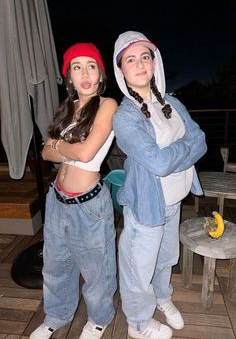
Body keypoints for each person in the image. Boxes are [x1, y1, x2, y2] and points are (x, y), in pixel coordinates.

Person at [112, 31, 207, 339]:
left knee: (166, 258)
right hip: (146, 206)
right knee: (138, 268)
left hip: (174, 201)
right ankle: (138, 323)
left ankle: (163, 299)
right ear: (121, 69)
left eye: (145, 56)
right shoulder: (124, 117)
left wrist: (176, 151)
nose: (140, 64)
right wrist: (183, 148)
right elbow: (160, 163)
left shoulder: (174, 104)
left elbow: (202, 141)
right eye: (130, 59)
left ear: (155, 61)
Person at [30, 42, 118, 339]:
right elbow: (44, 153)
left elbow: (86, 153)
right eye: (76, 67)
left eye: (91, 66)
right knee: (56, 265)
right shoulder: (66, 109)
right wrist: (63, 148)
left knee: (97, 271)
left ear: (101, 74)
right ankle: (57, 314)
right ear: (68, 76)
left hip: (89, 206)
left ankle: (99, 319)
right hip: (56, 200)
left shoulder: (107, 105)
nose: (84, 73)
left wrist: (58, 147)